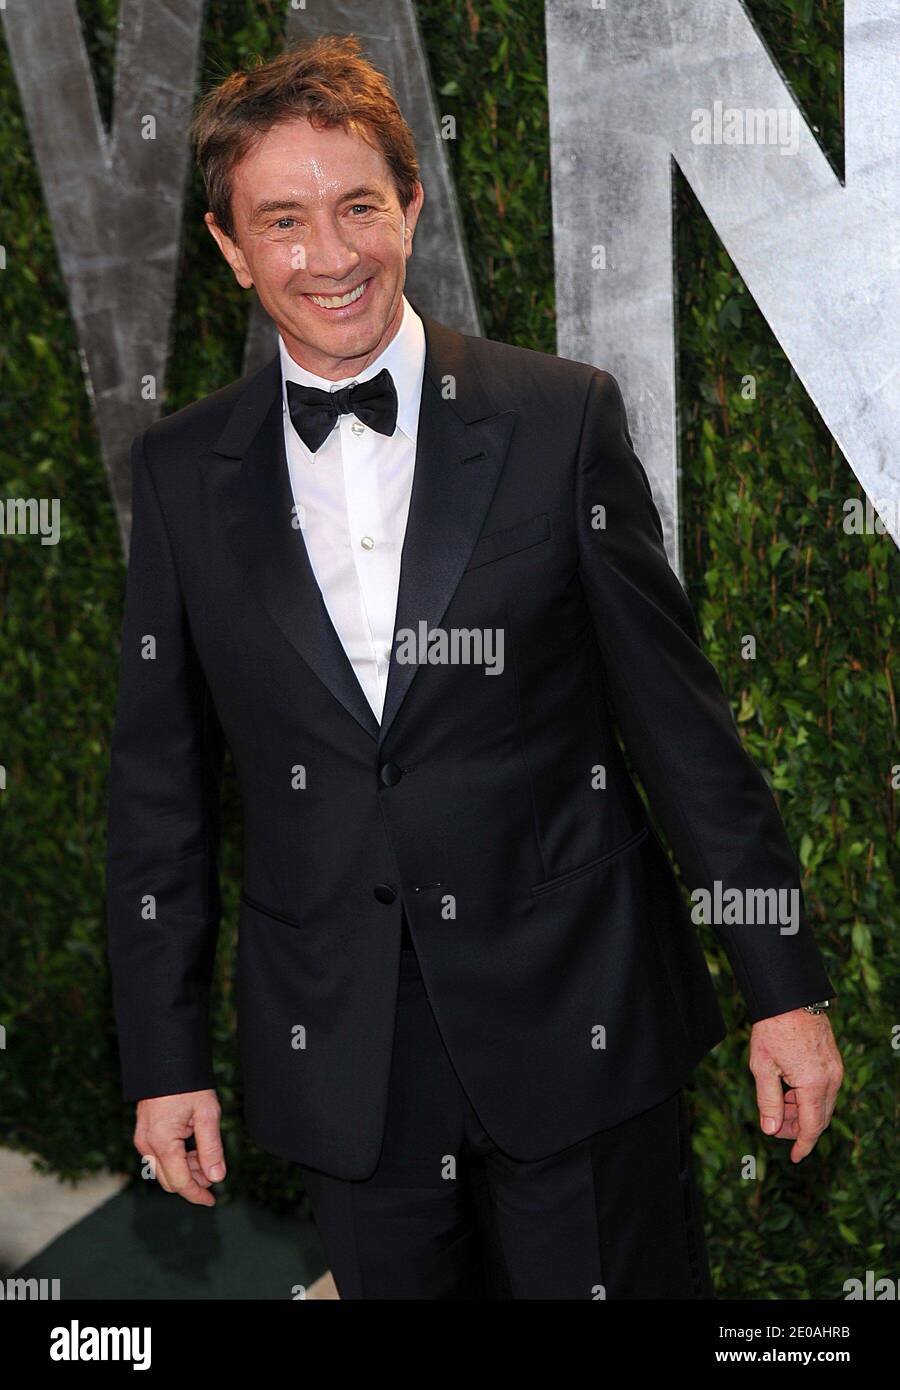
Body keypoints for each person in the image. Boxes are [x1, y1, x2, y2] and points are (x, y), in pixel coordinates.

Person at [105, 33, 842, 1299]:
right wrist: (165, 1059)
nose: (328, 257)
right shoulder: (179, 476)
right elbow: (160, 796)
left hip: (581, 1025)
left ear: (412, 208)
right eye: (282, 222)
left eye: (357, 208)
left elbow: (683, 733)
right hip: (344, 1055)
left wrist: (784, 986)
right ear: (231, 249)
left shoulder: (558, 419)